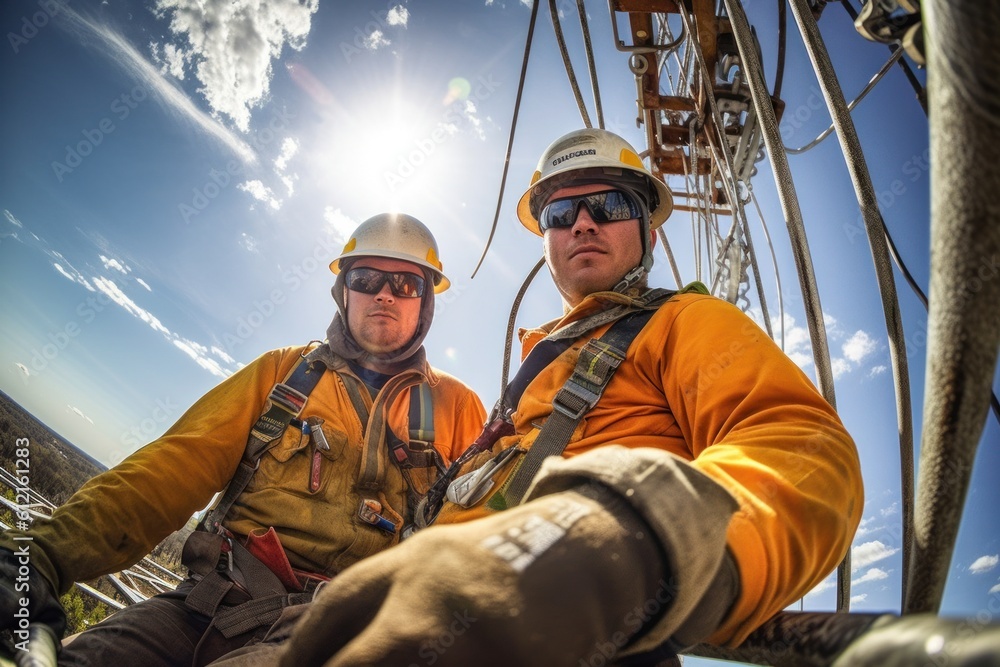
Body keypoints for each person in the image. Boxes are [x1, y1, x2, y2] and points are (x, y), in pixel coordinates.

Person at [257, 128, 864, 667]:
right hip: (401, 604)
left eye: (609, 204)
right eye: (561, 211)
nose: (582, 222)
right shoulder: (536, 369)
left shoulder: (686, 322)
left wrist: (630, 546)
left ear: (649, 229)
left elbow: (799, 446)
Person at [0, 213, 487, 665]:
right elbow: (172, 469)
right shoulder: (284, 374)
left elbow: (475, 546)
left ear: (425, 301)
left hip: (331, 637)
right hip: (208, 603)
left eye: (405, 282)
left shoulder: (459, 409)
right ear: (345, 291)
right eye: (366, 279)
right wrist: (41, 557)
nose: (384, 294)